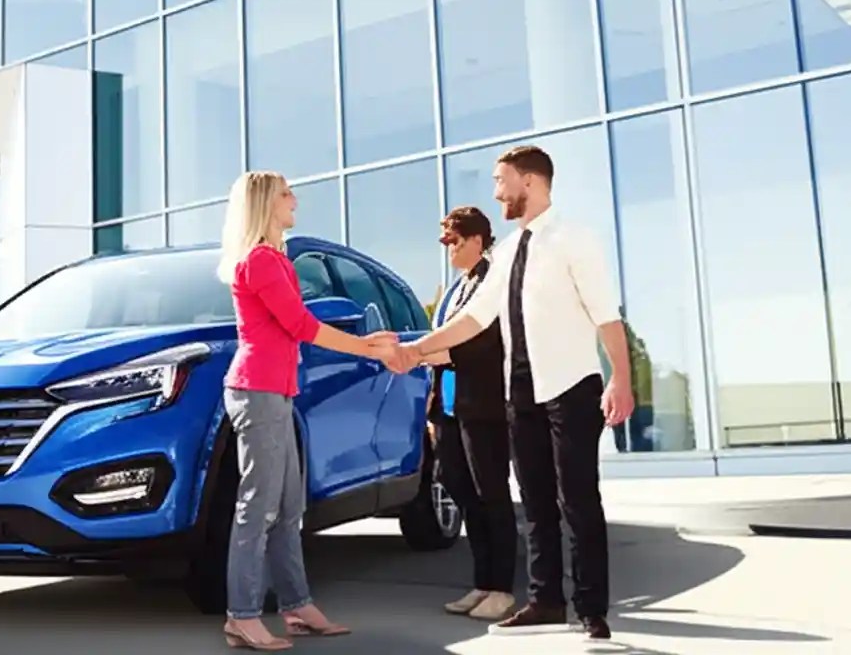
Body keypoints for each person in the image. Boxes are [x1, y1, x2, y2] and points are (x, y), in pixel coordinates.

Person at [387, 145, 634, 641]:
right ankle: (545, 601)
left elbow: (606, 314)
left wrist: (621, 378)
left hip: (571, 388)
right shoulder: (504, 254)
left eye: (502, 182)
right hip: (519, 395)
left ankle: (592, 611)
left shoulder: (572, 238)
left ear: (530, 181)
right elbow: (474, 319)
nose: (497, 191)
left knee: (578, 502)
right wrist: (415, 350)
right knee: (536, 503)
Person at [216, 170, 398, 651]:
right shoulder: (259, 261)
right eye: (285, 193)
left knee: (289, 506)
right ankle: (242, 615)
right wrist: (367, 347)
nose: (294, 199)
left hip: (277, 393)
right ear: (264, 204)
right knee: (257, 506)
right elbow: (300, 325)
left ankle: (296, 605)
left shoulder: (278, 260)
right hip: (257, 391)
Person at [421, 206, 518, 621]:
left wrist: (417, 351)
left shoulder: (491, 280)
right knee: (455, 483)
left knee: (491, 493)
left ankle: (502, 588)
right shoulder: (455, 288)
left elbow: (478, 341)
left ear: (477, 240)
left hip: (484, 406)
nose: (451, 252)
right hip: (449, 407)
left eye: (455, 243)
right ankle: (482, 583)